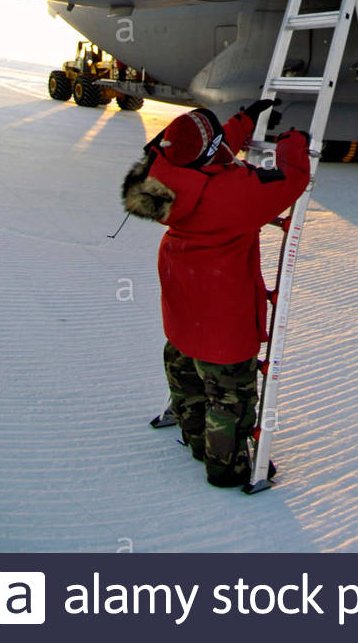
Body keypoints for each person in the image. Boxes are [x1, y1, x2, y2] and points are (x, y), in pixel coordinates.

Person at [121, 101, 310, 490]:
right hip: (223, 308)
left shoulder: (161, 170)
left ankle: (194, 439)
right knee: (230, 397)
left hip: (182, 290)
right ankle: (227, 468)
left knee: (185, 370)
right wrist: (293, 143)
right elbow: (291, 181)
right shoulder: (232, 192)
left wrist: (244, 121)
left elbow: (203, 147)